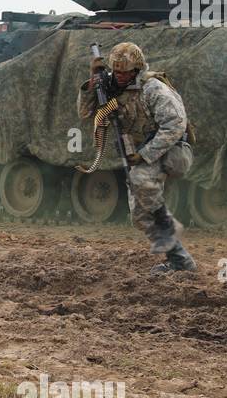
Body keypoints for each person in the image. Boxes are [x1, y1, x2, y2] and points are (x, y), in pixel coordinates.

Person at [78, 42, 197, 274]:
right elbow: (85, 112)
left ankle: (172, 235)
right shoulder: (111, 88)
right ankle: (179, 259)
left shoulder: (152, 88)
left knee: (141, 180)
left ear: (137, 69)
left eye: (126, 72)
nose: (121, 76)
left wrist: (144, 154)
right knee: (140, 215)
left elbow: (175, 125)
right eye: (117, 71)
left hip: (173, 151)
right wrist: (92, 84)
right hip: (141, 154)